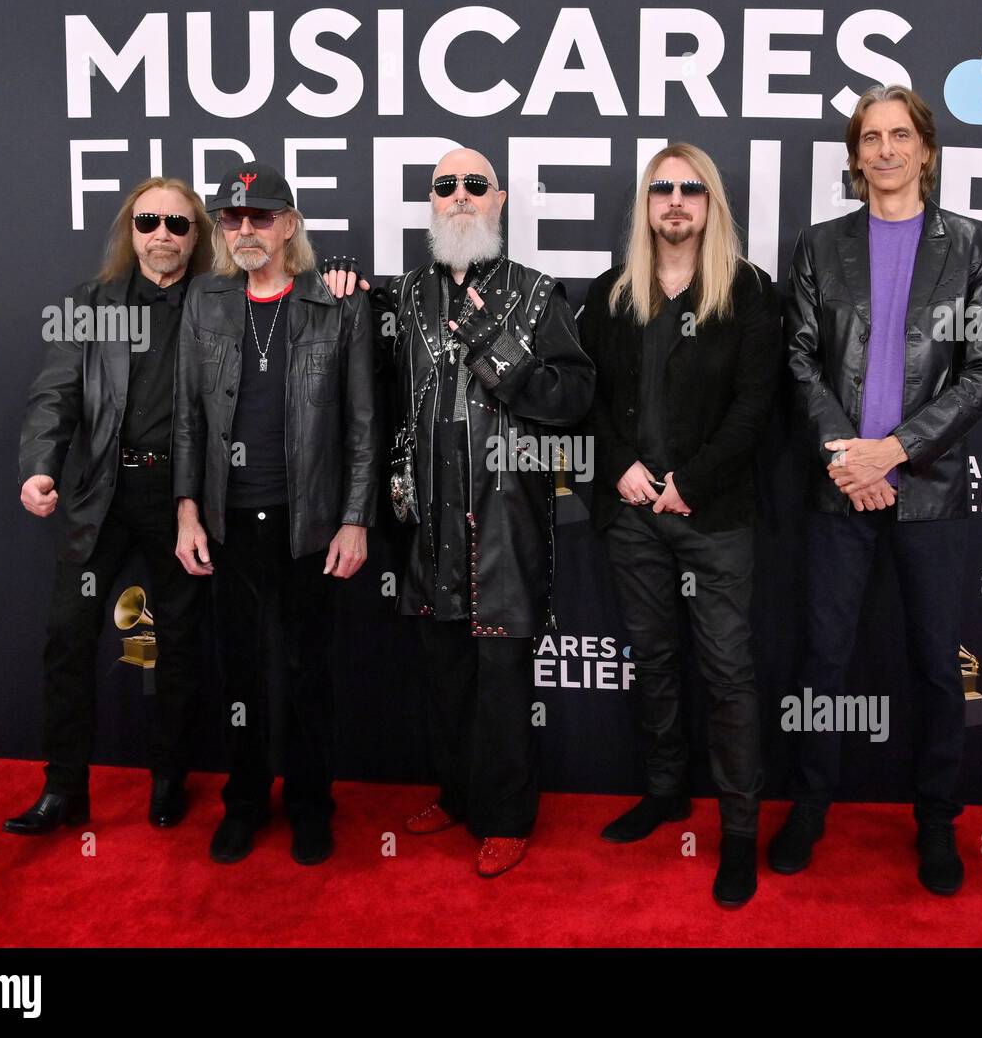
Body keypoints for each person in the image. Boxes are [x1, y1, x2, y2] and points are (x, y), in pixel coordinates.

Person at [325, 147, 594, 877]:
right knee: (444, 675)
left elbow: (573, 400)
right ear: (431, 203)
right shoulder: (407, 296)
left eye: (476, 185)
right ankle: (455, 791)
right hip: (428, 524)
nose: (461, 196)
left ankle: (505, 816)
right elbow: (366, 386)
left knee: (503, 681)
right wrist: (344, 285)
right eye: (447, 186)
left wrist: (494, 347)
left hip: (504, 525)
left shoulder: (539, 294)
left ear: (498, 201)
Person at [776, 85, 982, 895]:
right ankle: (809, 807)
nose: (884, 149)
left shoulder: (979, 245)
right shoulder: (817, 245)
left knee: (939, 670)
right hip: (840, 484)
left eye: (899, 135)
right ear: (855, 155)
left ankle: (937, 820)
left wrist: (897, 451)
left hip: (931, 491)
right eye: (870, 137)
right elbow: (800, 360)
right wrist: (853, 456)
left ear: (926, 149)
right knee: (821, 660)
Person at [578, 143, 783, 907]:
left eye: (690, 188)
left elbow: (756, 407)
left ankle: (736, 834)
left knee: (727, 673)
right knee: (654, 659)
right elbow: (585, 399)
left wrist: (689, 482)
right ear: (646, 203)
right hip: (632, 515)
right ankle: (665, 792)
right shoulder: (612, 295)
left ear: (711, 202)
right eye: (661, 187)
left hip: (713, 514)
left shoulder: (749, 294)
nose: (675, 200)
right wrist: (621, 463)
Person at [171, 162, 379, 866]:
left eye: (260, 217)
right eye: (232, 218)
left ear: (290, 225)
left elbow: (362, 424)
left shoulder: (334, 302)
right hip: (230, 524)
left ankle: (313, 806)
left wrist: (355, 518)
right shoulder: (205, 301)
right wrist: (187, 511)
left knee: (309, 672)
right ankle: (245, 802)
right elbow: (188, 421)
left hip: (309, 523)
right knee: (241, 675)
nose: (244, 229)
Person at [8, 177, 212, 835]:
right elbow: (54, 395)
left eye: (177, 225)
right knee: (68, 636)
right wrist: (41, 468)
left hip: (183, 500)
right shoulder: (90, 305)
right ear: (130, 229)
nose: (162, 235)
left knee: (177, 645)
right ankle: (64, 787)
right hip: (102, 494)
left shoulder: (220, 307)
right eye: (148, 221)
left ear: (196, 236)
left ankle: (169, 778)